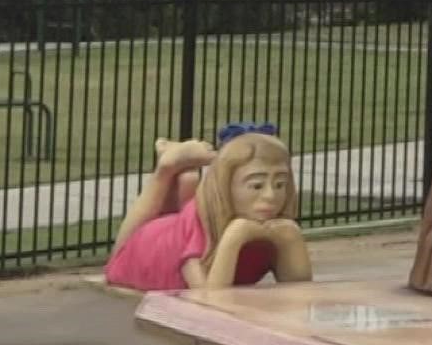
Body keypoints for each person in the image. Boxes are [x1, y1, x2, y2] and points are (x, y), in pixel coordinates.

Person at [103, 124, 312, 292]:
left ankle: (183, 175)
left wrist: (291, 237)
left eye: (280, 184)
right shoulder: (201, 226)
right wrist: (235, 237)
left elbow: (299, 293)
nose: (270, 196)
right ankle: (167, 167)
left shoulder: (273, 225)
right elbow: (209, 298)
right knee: (118, 257)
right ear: (225, 185)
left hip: (182, 222)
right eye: (256, 185)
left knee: (189, 187)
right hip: (151, 250)